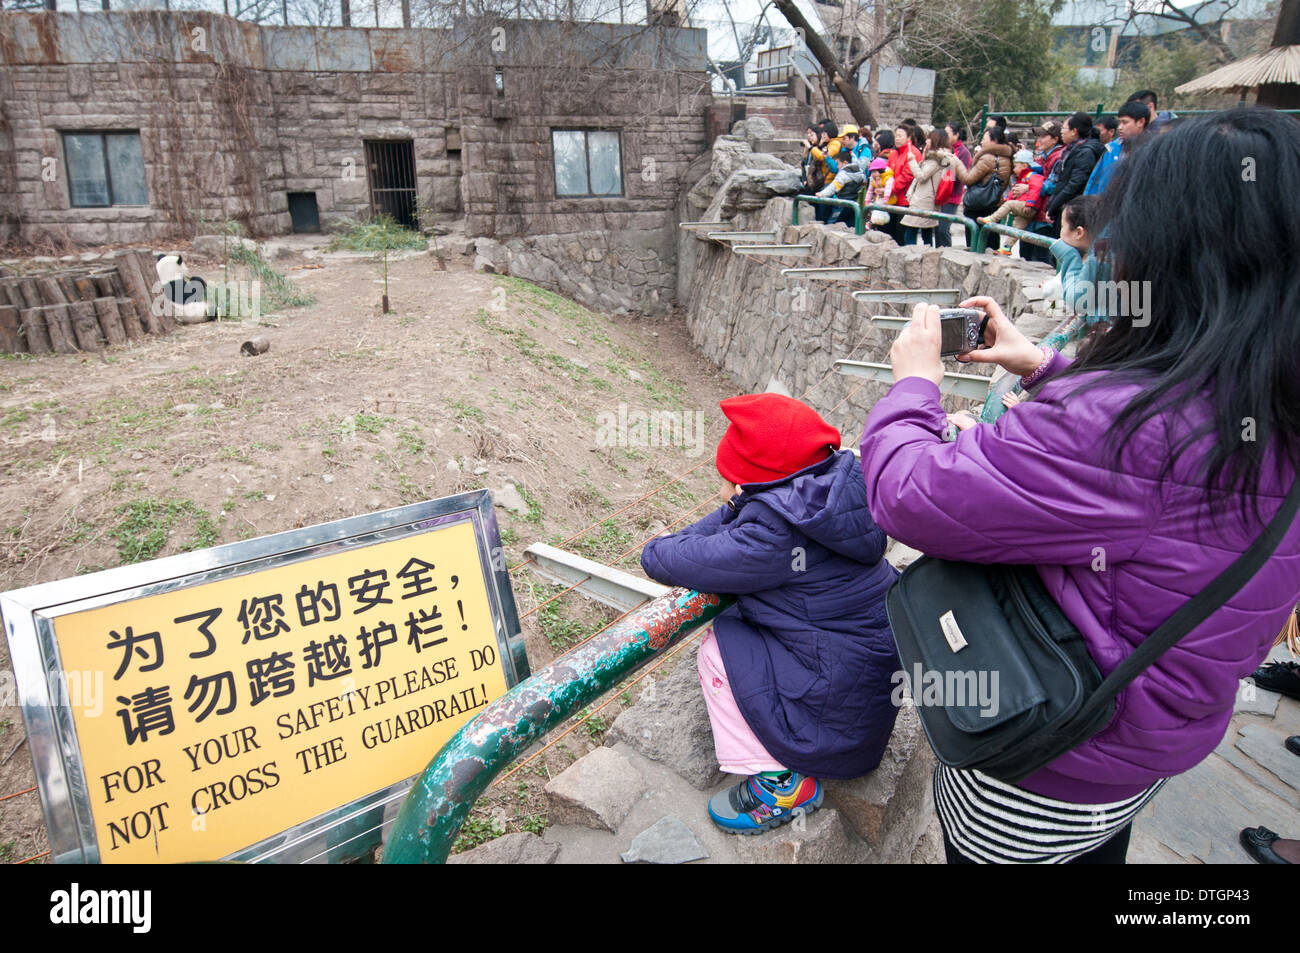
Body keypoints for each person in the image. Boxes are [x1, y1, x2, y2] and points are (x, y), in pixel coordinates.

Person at [859, 108, 1300, 864]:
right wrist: (1047, 370)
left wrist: (914, 386)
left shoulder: (1120, 425)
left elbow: (907, 492)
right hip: (1148, 739)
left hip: (1047, 768)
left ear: (1175, 255)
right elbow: (1155, 481)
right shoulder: (1268, 397)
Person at [640, 394, 901, 835]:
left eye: (731, 479)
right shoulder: (838, 487)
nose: (724, 490)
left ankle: (781, 784)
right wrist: (743, 503)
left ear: (756, 482)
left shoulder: (771, 537)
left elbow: (661, 558)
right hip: (864, 690)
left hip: (835, 714)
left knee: (717, 651)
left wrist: (730, 510)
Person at [944, 124, 1012, 250]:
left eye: (984, 139)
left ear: (994, 140)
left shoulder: (987, 158)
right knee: (990, 245)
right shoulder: (1006, 157)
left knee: (976, 245)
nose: (981, 141)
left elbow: (968, 179)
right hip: (994, 204)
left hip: (979, 207)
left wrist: (956, 162)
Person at [977, 148, 1045, 256]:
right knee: (1017, 227)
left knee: (1010, 205)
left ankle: (992, 219)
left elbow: (1036, 189)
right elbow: (1015, 191)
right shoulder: (1022, 178)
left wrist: (1029, 203)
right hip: (1026, 207)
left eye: (1016, 166)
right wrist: (1008, 198)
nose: (1014, 169)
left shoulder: (1033, 176)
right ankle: (1006, 247)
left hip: (1029, 206)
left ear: (1024, 166)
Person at [1049, 195, 1105, 320]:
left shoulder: (1100, 256)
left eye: (1062, 226)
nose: (1061, 233)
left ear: (1079, 232)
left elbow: (1077, 300)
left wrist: (1069, 257)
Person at [1044, 112, 1104, 227]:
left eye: (1064, 128)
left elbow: (1074, 184)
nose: (1061, 131)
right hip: (1064, 206)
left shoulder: (1085, 152)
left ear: (1074, 131)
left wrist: (1054, 206)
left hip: (1073, 210)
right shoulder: (1072, 150)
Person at [1085, 100, 1148, 195]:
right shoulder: (1111, 149)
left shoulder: (1151, 151)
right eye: (1119, 122)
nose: (1120, 127)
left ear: (1141, 122)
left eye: (1125, 122)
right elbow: (1094, 181)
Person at [902, 128, 949, 246]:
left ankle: (911, 257)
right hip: (926, 199)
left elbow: (921, 176)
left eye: (929, 138)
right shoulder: (936, 158)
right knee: (926, 233)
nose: (926, 140)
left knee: (910, 233)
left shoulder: (936, 160)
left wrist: (912, 160)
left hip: (923, 200)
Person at [934, 121, 972, 248]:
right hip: (940, 193)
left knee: (943, 229)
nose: (944, 136)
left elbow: (962, 175)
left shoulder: (963, 152)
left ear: (956, 135)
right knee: (936, 228)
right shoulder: (945, 149)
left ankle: (947, 253)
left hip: (952, 195)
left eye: (948, 133)